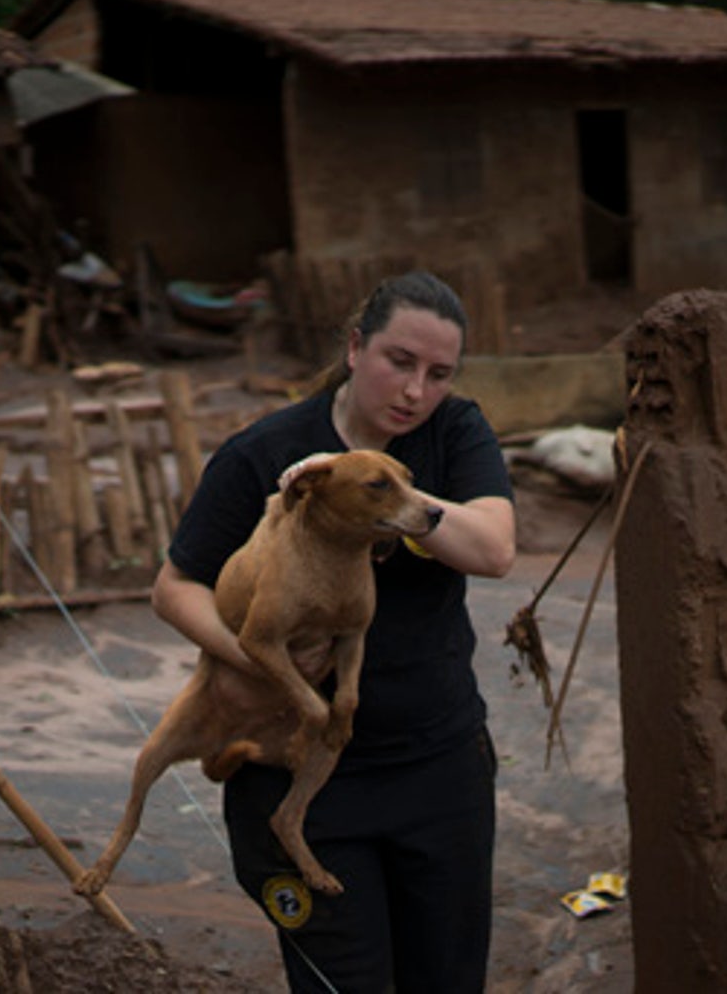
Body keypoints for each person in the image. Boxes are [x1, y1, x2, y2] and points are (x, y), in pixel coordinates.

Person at [153, 269, 517, 992]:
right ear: (355, 348)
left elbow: (494, 550)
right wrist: (256, 661)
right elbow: (175, 588)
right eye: (400, 363)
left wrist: (380, 490)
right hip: (300, 783)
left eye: (438, 374)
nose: (416, 391)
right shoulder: (268, 454)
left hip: (437, 769)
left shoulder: (454, 431)